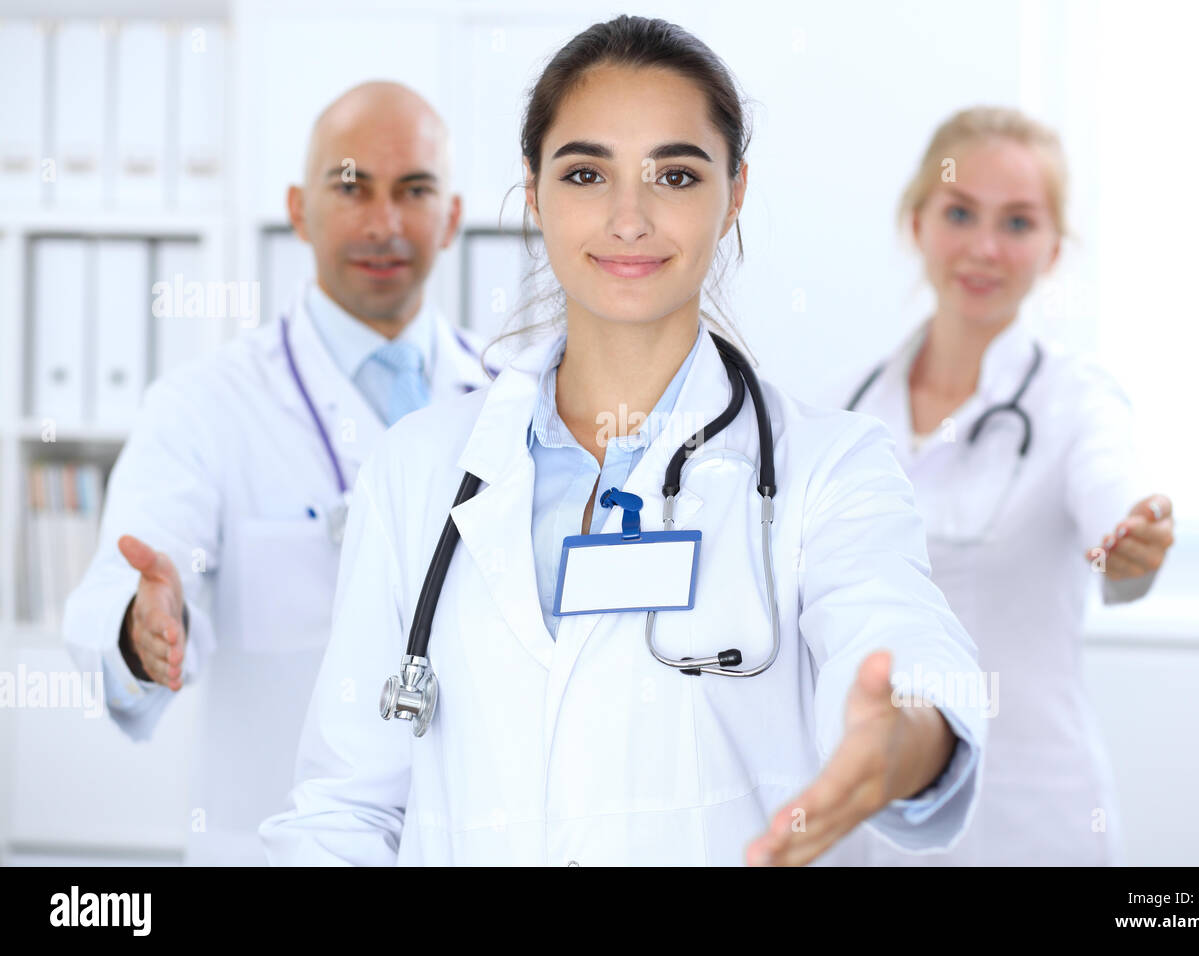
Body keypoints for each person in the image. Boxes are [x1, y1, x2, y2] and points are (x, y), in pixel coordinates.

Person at [261, 15, 987, 867]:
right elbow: (344, 810)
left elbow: (894, 637)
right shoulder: (418, 469)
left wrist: (899, 734)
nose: (630, 218)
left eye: (674, 174)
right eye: (585, 173)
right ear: (532, 191)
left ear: (735, 192)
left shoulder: (828, 469)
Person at [62, 81, 491, 865]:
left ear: (453, 216)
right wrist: (141, 631)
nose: (384, 223)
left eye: (415, 190)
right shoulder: (204, 405)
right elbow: (125, 577)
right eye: (351, 185)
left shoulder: (506, 400)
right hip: (273, 844)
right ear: (299, 209)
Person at [845, 106, 1175, 865]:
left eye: (1019, 223)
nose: (985, 248)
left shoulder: (1077, 398)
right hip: (876, 811)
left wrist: (1135, 539)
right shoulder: (845, 407)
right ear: (916, 221)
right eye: (960, 212)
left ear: (1055, 247)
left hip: (1032, 809)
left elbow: (1115, 497)